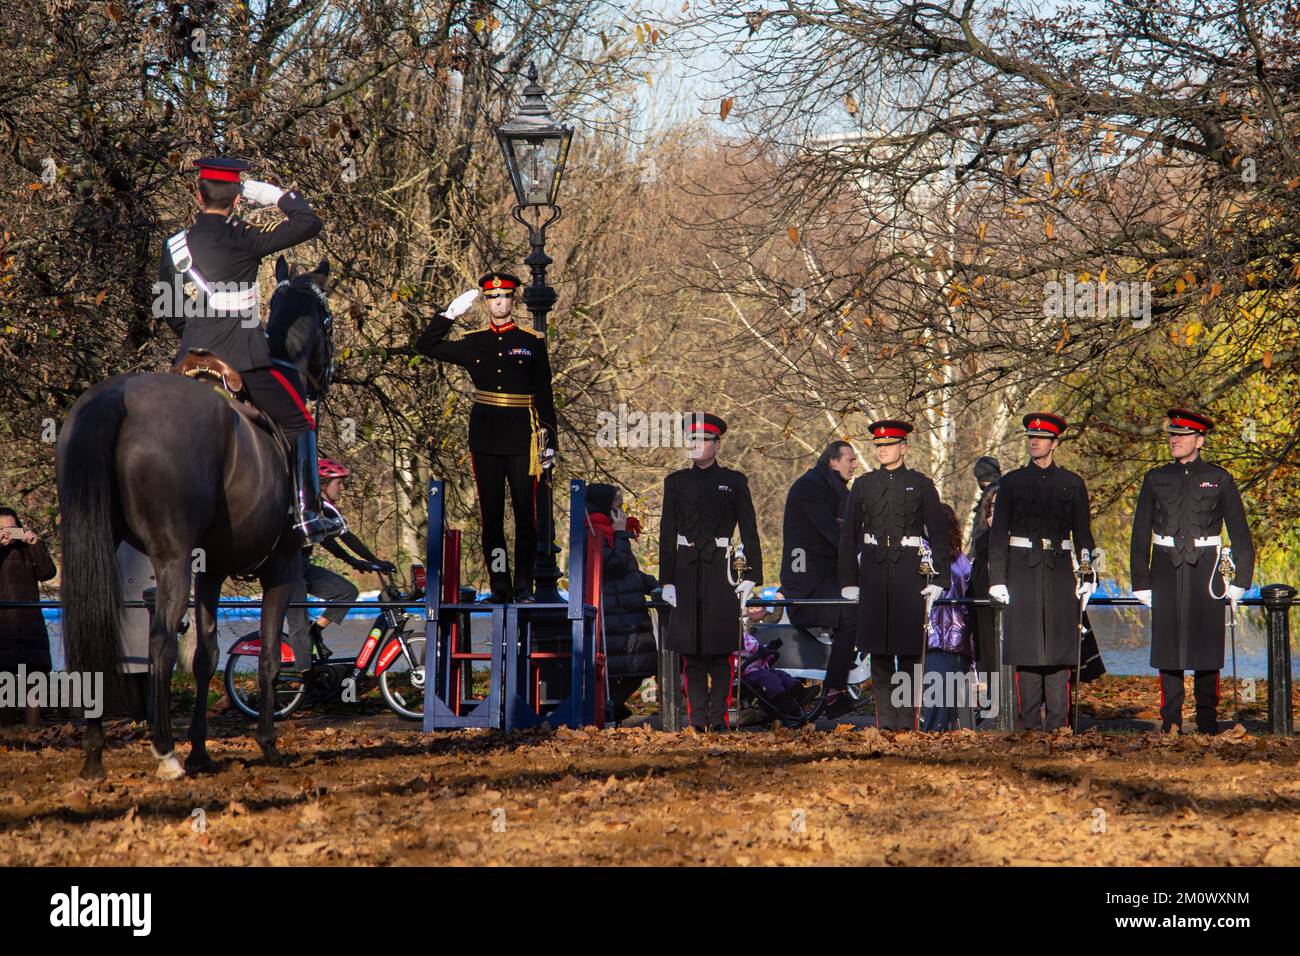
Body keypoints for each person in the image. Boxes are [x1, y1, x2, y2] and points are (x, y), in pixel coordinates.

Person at [156, 156, 343, 543]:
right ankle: (307, 514)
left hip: (188, 359)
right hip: (243, 359)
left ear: (197, 194)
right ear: (238, 200)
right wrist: (271, 194)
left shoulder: (173, 245)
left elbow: (168, 309)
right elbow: (309, 222)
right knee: (299, 423)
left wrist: (194, 339)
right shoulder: (245, 237)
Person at [414, 273, 558, 603]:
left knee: (526, 516)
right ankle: (500, 587)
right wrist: (447, 315)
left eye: (505, 297)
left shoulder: (532, 341)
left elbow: (544, 395)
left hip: (524, 435)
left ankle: (524, 588)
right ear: (486, 302)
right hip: (486, 436)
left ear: (513, 300)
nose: (499, 302)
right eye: (493, 298)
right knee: (491, 518)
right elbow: (425, 346)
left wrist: (550, 442)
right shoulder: (474, 342)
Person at [1130, 408, 1253, 735]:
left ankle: (1207, 722)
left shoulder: (1220, 477)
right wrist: (1140, 581)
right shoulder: (1155, 478)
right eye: (1172, 434)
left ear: (1199, 440)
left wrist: (1242, 581)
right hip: (1165, 569)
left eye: (1182, 435)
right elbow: (1140, 531)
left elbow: (1239, 532)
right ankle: (1170, 721)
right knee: (1167, 649)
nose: (1174, 439)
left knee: (1207, 648)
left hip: (1207, 570)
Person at [838, 419, 949, 731]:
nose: (882, 450)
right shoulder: (863, 485)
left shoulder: (922, 484)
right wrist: (848, 581)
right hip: (873, 572)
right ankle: (886, 725)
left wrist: (940, 580)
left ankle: (907, 724)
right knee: (880, 654)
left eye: (888, 445)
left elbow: (939, 535)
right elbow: (849, 536)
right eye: (878, 446)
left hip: (909, 574)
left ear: (904, 447)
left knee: (910, 653)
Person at [987, 413, 1095, 732]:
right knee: (1028, 651)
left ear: (1054, 442)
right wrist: (997, 579)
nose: (1034, 441)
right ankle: (1030, 729)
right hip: (1021, 571)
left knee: (1060, 653)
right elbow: (998, 535)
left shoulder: (1072, 483)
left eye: (1041, 437)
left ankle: (1061, 729)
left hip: (1060, 571)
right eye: (1031, 437)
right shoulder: (1011, 482)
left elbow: (1084, 536)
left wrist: (1088, 574)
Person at [660, 413, 763, 732]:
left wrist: (752, 576)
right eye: (691, 440)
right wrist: (667, 579)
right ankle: (696, 720)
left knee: (720, 652)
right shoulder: (675, 482)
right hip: (686, 569)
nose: (696, 445)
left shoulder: (734, 482)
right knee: (691, 654)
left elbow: (749, 529)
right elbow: (666, 530)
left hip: (721, 568)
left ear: (717, 445)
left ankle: (717, 719)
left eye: (703, 440)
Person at [285, 458, 396, 676]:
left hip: (303, 566)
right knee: (298, 621)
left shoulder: (317, 510)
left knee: (346, 591)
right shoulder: (318, 507)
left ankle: (315, 630)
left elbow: (328, 541)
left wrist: (358, 562)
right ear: (323, 484)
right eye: (339, 483)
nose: (342, 488)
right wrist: (371, 561)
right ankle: (306, 677)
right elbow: (347, 538)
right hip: (286, 569)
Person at [780, 441, 860, 717]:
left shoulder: (834, 488)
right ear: (833, 462)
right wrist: (861, 556)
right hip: (807, 585)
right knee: (851, 616)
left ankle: (837, 687)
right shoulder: (811, 488)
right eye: (850, 459)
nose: (855, 463)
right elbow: (833, 533)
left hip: (823, 576)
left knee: (855, 614)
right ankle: (834, 692)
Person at [585, 483, 659, 724]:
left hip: (627, 609)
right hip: (614, 611)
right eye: (618, 504)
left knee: (641, 666)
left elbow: (629, 569)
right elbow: (613, 564)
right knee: (628, 667)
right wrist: (620, 533)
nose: (622, 509)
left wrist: (654, 584)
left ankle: (613, 707)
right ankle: (610, 708)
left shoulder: (609, 529)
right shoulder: (596, 529)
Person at [0, 508, 57, 728]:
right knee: (5, 678)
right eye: (2, 528)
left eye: (11, 527)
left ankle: (33, 728)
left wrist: (35, 544)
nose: (7, 532)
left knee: (35, 675)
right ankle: (7, 730)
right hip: (3, 622)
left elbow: (47, 573)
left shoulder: (27, 549)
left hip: (29, 619)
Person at [921, 504, 974, 731]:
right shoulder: (961, 559)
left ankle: (931, 749)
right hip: (959, 639)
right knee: (949, 708)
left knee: (937, 710)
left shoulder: (928, 557)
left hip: (937, 638)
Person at [966, 484, 1000, 722]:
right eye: (992, 508)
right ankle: (991, 701)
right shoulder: (983, 538)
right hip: (984, 601)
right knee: (987, 652)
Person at [968, 455, 1001, 541]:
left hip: (987, 550)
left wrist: (974, 553)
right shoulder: (1004, 490)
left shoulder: (992, 495)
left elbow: (981, 531)